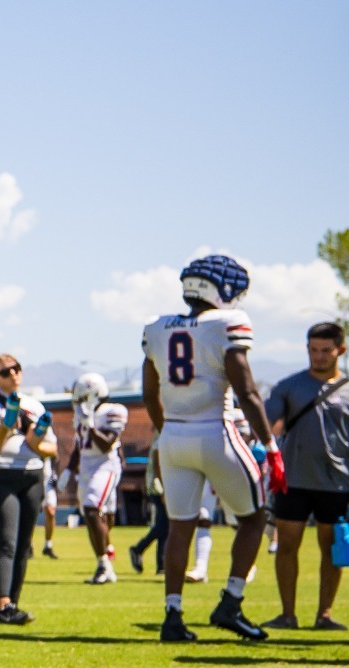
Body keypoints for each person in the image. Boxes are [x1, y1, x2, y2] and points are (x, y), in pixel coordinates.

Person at [140, 255, 278, 643]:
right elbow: (248, 391)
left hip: (174, 436)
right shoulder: (227, 324)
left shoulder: (157, 327)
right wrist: (269, 442)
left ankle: (172, 615)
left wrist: (167, 430)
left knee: (180, 527)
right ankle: (231, 602)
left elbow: (149, 393)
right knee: (254, 518)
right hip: (216, 432)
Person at [262, 322, 349, 631]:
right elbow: (267, 424)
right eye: (313, 350)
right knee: (286, 546)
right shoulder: (288, 387)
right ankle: (287, 615)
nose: (319, 356)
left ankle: (324, 615)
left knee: (332, 548)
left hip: (338, 482)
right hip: (293, 480)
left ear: (341, 349)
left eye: (326, 350)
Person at [0, 355, 57, 624]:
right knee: (5, 542)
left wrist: (34, 442)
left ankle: (13, 604)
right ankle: (1, 606)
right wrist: (7, 426)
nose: (12, 374)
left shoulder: (34, 406)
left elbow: (51, 448)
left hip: (30, 476)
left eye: (16, 368)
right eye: (4, 371)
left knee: (23, 544)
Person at [65, 373, 130, 585]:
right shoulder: (81, 413)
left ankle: (104, 563)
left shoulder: (113, 411)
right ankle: (104, 560)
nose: (78, 403)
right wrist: (68, 470)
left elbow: (106, 445)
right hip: (85, 466)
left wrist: (91, 425)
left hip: (105, 466)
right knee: (97, 515)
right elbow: (79, 444)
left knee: (93, 509)